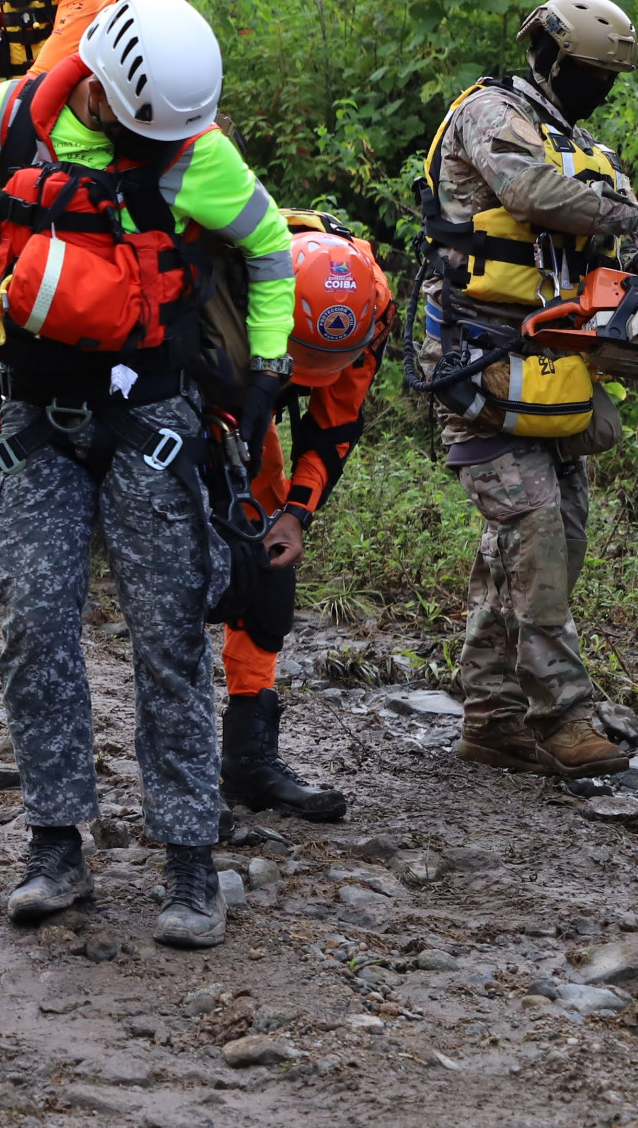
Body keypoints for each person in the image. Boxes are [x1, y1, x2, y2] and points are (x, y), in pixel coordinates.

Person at [0, 0, 294, 951]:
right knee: (36, 628)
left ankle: (190, 860)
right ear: (110, 87)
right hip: (37, 414)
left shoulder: (194, 149)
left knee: (170, 637)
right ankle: (54, 845)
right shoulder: (10, 119)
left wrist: (271, 370)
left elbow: (272, 248)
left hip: (153, 423)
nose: (158, 146)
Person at [414, 0, 638, 778]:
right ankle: (562, 717)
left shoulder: (580, 144)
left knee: (543, 538)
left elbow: (583, 257)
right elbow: (531, 198)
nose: (598, 88)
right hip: (477, 363)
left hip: (554, 368)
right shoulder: (490, 115)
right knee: (537, 537)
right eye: (588, 72)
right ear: (548, 56)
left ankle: (489, 718)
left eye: (606, 78)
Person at [212, 215, 393, 822]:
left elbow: (335, 421)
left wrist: (297, 511)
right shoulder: (225, 265)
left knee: (268, 560)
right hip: (206, 385)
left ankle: (248, 761)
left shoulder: (371, 303)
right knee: (182, 565)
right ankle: (175, 766)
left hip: (259, 388)